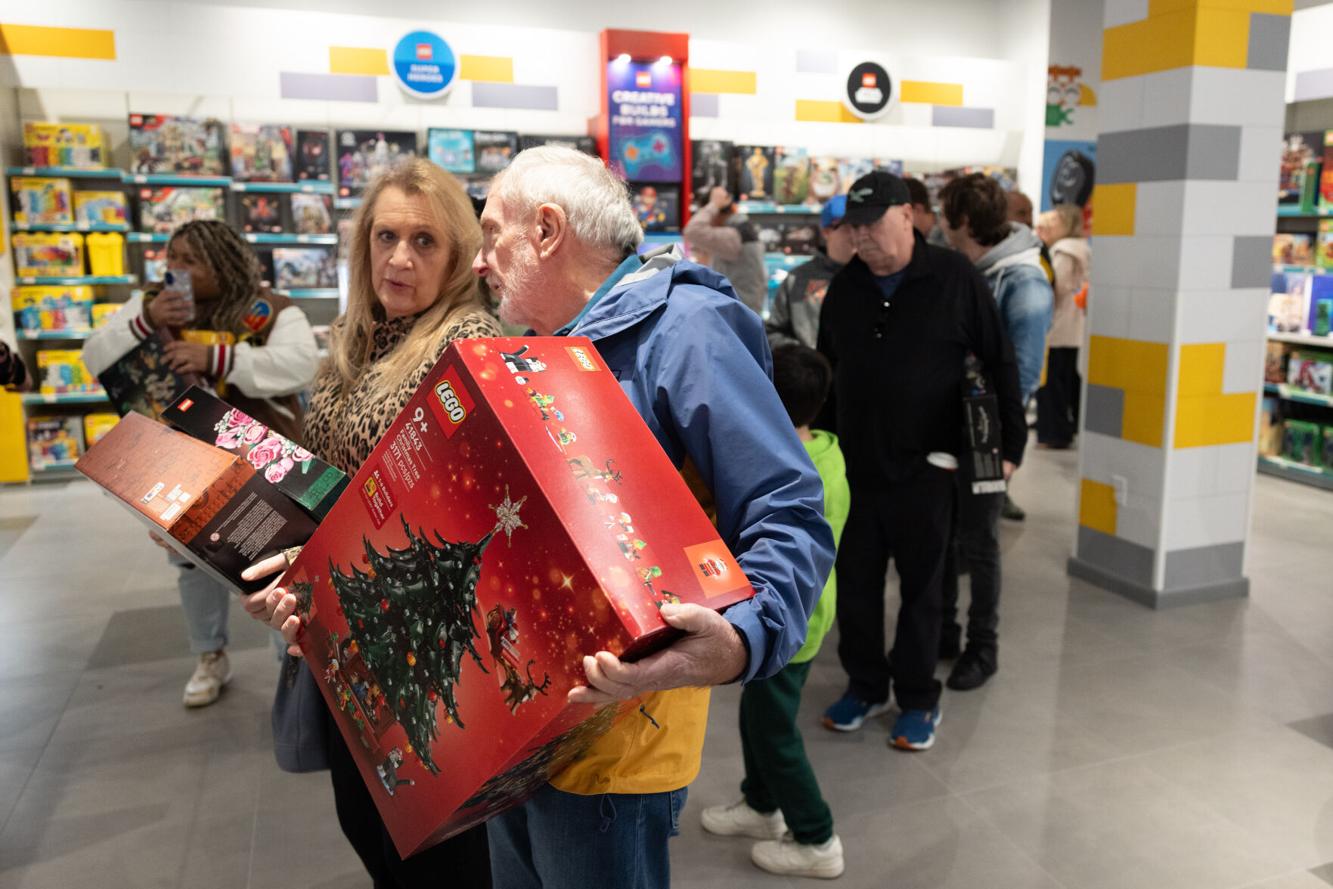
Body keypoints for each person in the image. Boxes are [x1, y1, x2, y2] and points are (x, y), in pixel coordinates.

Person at [259, 146, 834, 889]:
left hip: (616, 746)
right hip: (514, 735)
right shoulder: (525, 347)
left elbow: (786, 505)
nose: (478, 262)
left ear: (547, 231)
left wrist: (739, 643)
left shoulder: (685, 327)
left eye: (492, 233)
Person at [243, 157, 501, 887]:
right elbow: (322, 480)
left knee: (438, 859)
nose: (398, 257)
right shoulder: (350, 341)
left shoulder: (469, 345)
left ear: (456, 255)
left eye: (424, 241)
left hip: (421, 654)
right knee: (367, 829)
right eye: (385, 236)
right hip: (340, 634)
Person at [817, 171, 1025, 748]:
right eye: (852, 226)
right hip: (857, 470)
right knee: (855, 587)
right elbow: (829, 376)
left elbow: (1000, 361)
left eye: (872, 224)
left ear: (907, 216)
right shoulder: (847, 289)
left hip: (929, 471)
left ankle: (915, 698)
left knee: (923, 593)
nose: (861, 237)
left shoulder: (955, 279)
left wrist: (1010, 448)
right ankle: (864, 685)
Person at [82, 218, 318, 707]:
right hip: (182, 467)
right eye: (172, 257)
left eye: (190, 259)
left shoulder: (267, 308)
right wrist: (144, 322)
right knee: (193, 567)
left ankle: (294, 662)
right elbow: (93, 354)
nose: (175, 268)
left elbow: (300, 364)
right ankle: (210, 655)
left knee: (276, 569)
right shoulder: (150, 303)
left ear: (223, 260)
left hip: (262, 468)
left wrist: (217, 360)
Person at [701, 343, 848, 880]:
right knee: (759, 718)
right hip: (802, 618)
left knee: (774, 733)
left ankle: (817, 837)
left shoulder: (796, 476)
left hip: (792, 626)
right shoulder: (827, 452)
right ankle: (761, 806)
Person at [934, 173, 1052, 689]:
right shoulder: (970, 271)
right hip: (948, 430)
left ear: (961, 220)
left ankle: (984, 646)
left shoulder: (1022, 284)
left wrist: (1007, 449)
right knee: (945, 538)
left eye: (944, 213)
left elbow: (1020, 376)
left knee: (980, 545)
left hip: (986, 438)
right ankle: (945, 631)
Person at [766, 195, 853, 349]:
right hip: (813, 371)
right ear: (826, 232)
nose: (857, 234)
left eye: (862, 226)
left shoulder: (877, 275)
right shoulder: (799, 279)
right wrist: (802, 357)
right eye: (848, 227)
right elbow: (772, 332)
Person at [1035, 205, 1090, 449]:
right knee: (1067, 380)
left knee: (1053, 382)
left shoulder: (1064, 251)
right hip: (1073, 323)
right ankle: (1064, 426)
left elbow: (1055, 285)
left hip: (1059, 324)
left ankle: (1055, 432)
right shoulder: (1081, 248)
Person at [682, 185, 770, 315]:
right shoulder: (742, 231)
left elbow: (692, 231)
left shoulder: (733, 236)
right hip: (744, 311)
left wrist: (713, 204)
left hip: (736, 316)